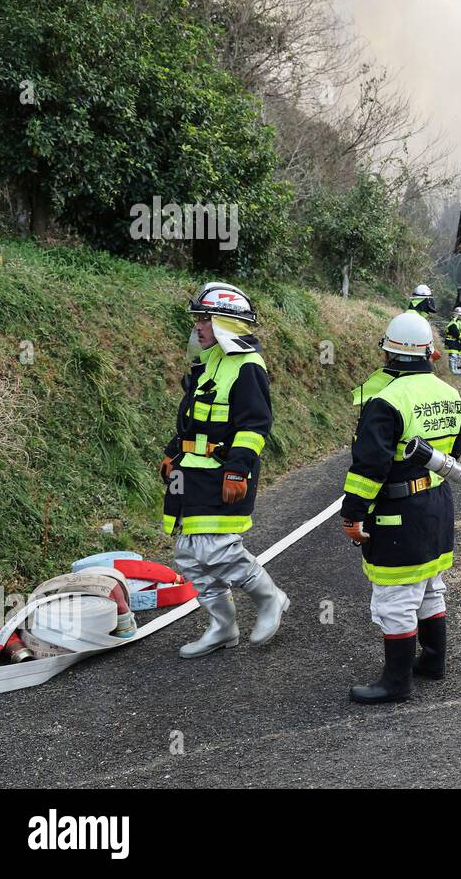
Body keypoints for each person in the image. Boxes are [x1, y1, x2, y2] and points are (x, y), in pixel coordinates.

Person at [341, 311, 461, 702]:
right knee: (430, 586)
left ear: (388, 354)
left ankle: (396, 683)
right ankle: (432, 660)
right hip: (438, 504)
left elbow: (369, 467)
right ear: (430, 352)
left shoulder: (385, 400)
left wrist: (353, 513)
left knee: (395, 595)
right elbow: (455, 453)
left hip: (399, 512)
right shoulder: (449, 393)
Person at [162, 282, 289, 658]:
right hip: (191, 473)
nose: (197, 326)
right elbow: (192, 419)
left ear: (225, 322)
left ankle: (270, 600)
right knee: (189, 554)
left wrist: (238, 470)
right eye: (197, 319)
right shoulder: (209, 360)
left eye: (205, 318)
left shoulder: (248, 367)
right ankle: (222, 626)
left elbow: (255, 426)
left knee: (219, 551)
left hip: (223, 474)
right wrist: (173, 453)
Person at [444, 306, 461, 375]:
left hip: (456, 342)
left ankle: (455, 369)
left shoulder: (460, 323)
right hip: (451, 342)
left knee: (457, 356)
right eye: (460, 315)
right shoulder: (453, 324)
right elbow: (456, 334)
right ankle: (452, 370)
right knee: (453, 356)